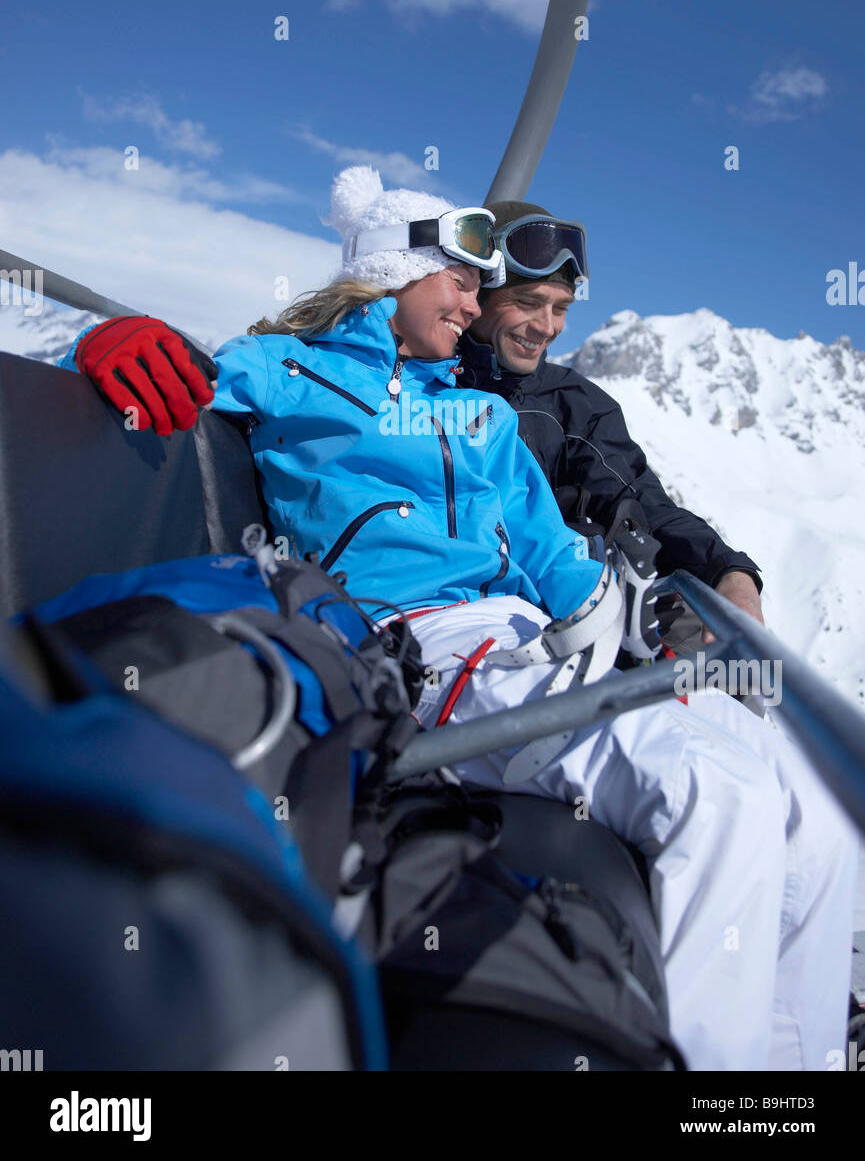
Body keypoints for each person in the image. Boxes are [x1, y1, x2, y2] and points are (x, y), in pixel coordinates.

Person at [59, 165, 858, 1072]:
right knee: (716, 798)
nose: (477, 307)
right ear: (394, 274)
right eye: (463, 280)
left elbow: (550, 549)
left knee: (815, 813)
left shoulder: (481, 414)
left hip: (532, 644)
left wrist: (618, 623)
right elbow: (176, 382)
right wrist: (107, 343)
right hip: (421, 649)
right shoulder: (288, 372)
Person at [457, 200, 764, 648]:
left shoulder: (571, 404)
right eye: (528, 302)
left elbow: (638, 500)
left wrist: (727, 570)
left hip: (541, 626)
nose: (547, 327)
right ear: (479, 294)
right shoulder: (415, 380)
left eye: (560, 307)